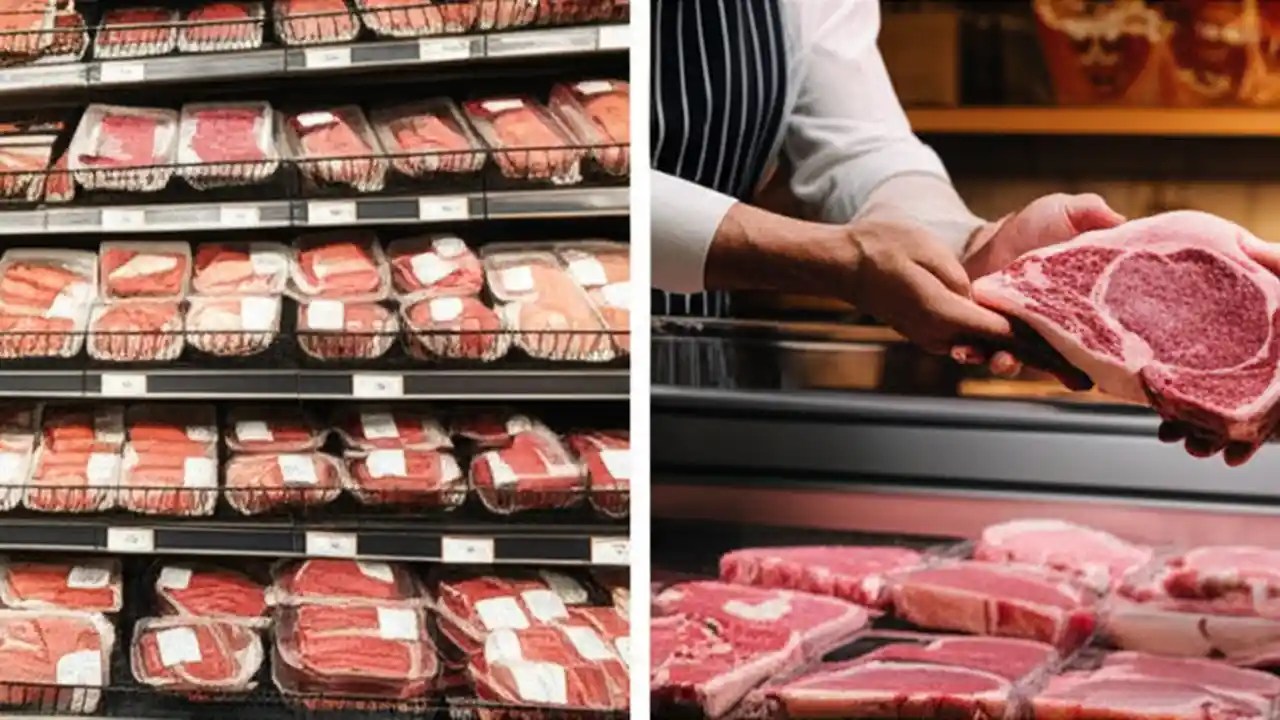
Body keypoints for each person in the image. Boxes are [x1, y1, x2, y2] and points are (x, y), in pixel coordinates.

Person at [650, 0, 1124, 387]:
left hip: (693, 359)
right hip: (581, 328)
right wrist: (839, 261)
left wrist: (970, 249)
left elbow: (860, 146)